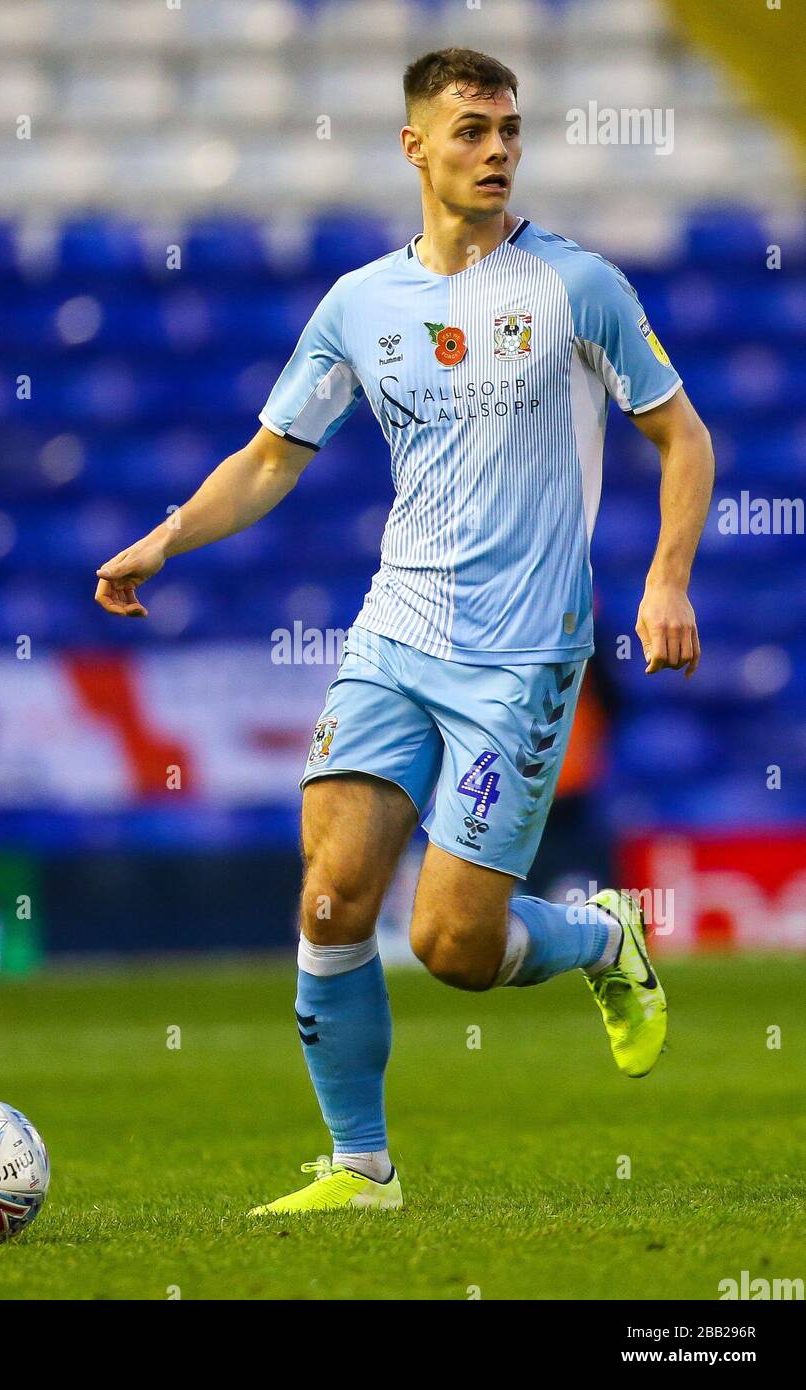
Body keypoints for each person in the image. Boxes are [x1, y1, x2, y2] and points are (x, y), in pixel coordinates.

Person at [94, 48, 715, 1214]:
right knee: (331, 894)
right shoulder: (360, 305)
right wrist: (166, 537)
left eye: (509, 130)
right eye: (470, 130)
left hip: (522, 654)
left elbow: (683, 437)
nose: (494, 151)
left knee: (451, 948)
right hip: (395, 631)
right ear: (413, 146)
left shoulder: (578, 287)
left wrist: (665, 578)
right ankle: (360, 1168)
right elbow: (273, 455)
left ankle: (598, 941)